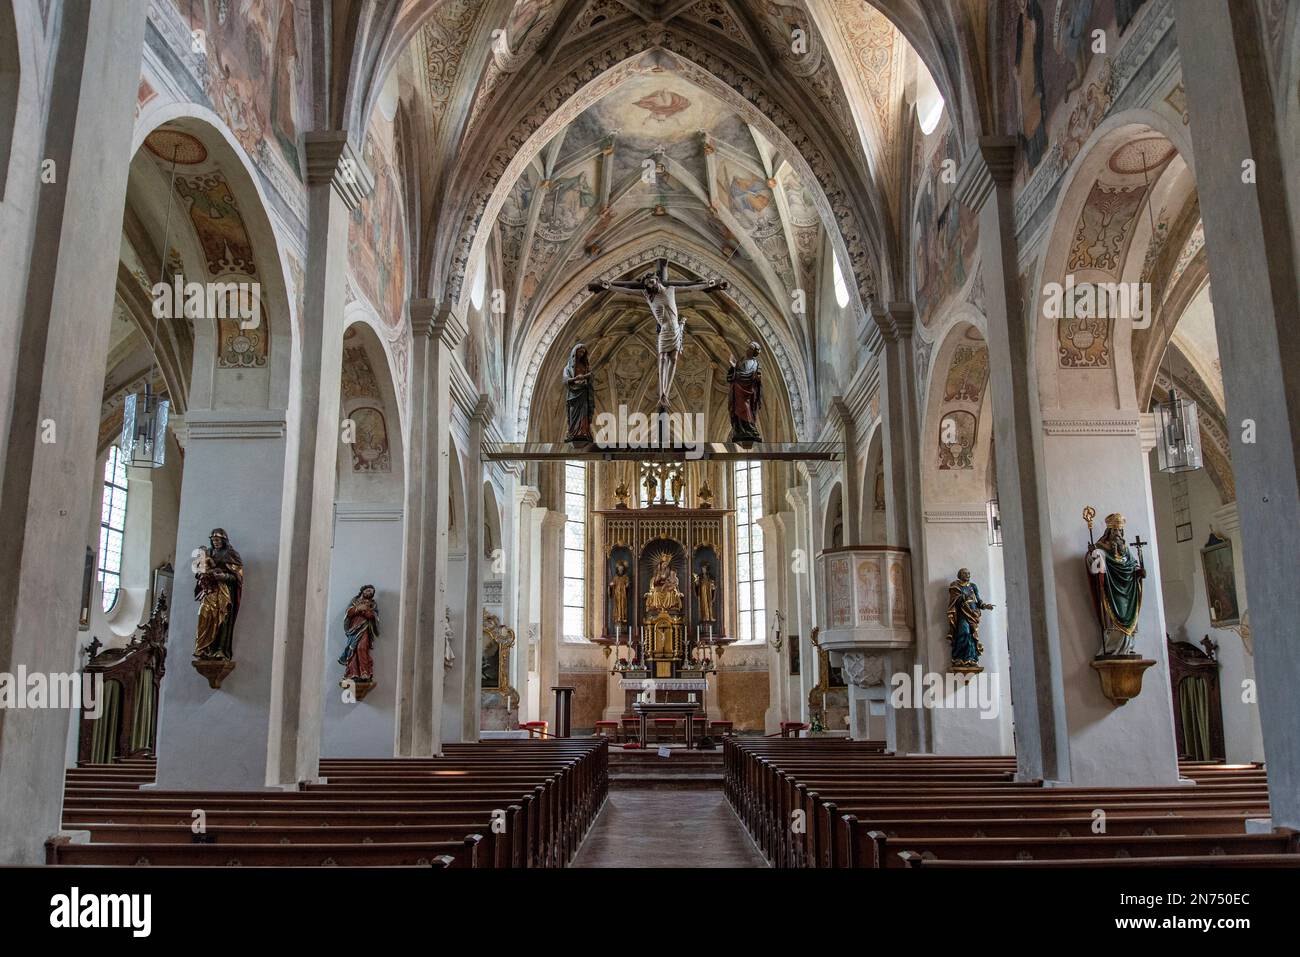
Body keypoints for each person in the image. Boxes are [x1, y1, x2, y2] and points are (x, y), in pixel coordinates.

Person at [588, 259, 727, 409]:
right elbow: (628, 289)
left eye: (651, 281)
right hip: (665, 330)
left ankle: (665, 392)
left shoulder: (671, 289)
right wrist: (609, 286)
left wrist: (709, 285)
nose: (650, 285)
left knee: (673, 359)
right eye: (647, 284)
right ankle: (662, 393)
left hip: (674, 329)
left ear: (656, 279)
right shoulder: (648, 296)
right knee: (662, 359)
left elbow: (690, 287)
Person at [193, 528, 243, 660]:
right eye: (213, 540)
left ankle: (220, 649)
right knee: (203, 614)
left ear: (224, 540)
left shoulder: (231, 554)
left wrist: (224, 576)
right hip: (209, 590)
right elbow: (198, 571)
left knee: (222, 619)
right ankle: (203, 648)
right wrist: (202, 573)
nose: (215, 542)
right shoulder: (207, 553)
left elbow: (237, 577)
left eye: (218, 540)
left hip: (223, 592)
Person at [946, 568, 994, 671]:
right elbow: (954, 601)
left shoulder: (973, 586)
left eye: (968, 573)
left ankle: (971, 659)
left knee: (972, 636)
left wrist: (985, 606)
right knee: (964, 632)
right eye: (965, 573)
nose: (967, 575)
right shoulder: (955, 586)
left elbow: (978, 600)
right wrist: (963, 597)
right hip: (963, 614)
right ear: (960, 575)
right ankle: (959, 658)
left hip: (973, 613)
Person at [339, 585, 379, 681]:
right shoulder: (354, 601)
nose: (369, 592)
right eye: (368, 590)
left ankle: (365, 672)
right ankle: (353, 674)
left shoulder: (372, 604)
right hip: (353, 629)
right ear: (362, 591)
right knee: (352, 650)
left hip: (364, 628)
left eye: (371, 591)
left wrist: (367, 613)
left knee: (361, 648)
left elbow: (374, 616)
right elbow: (348, 613)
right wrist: (358, 609)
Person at [726, 341, 764, 443]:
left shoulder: (754, 363)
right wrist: (733, 367)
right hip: (737, 389)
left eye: (750, 348)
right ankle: (739, 429)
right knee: (736, 409)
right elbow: (733, 375)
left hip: (746, 391)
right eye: (748, 348)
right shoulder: (742, 361)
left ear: (754, 352)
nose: (747, 349)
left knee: (745, 408)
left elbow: (749, 376)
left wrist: (737, 373)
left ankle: (749, 428)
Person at [562, 343, 595, 443]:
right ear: (575, 352)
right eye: (579, 352)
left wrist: (586, 377)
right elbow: (565, 380)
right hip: (573, 393)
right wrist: (575, 379)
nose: (581, 354)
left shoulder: (585, 366)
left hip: (583, 391)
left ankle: (583, 431)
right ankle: (573, 432)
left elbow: (591, 376)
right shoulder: (568, 368)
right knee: (573, 413)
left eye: (583, 352)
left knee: (584, 412)